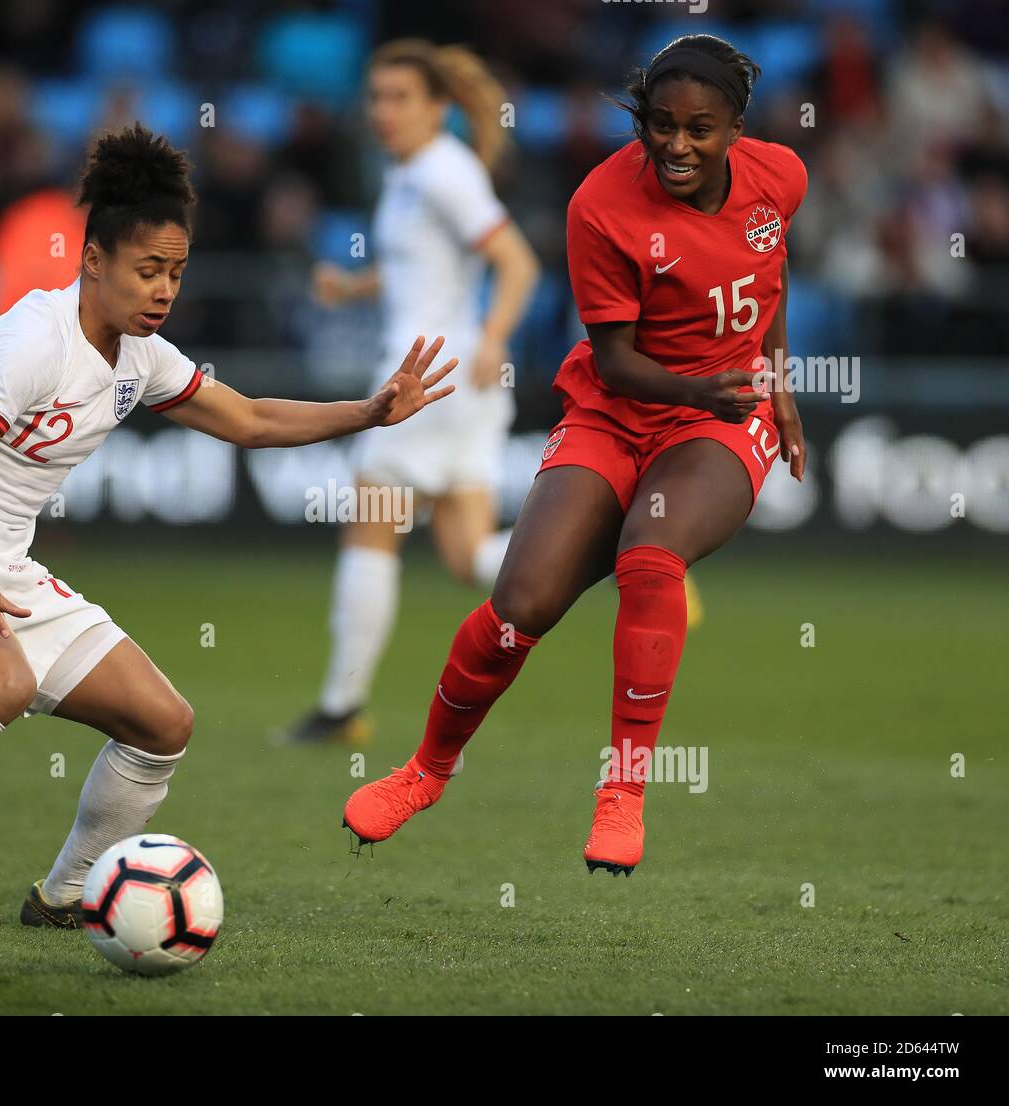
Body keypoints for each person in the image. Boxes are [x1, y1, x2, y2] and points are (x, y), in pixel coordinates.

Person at [0, 125, 457, 939]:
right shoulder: (30, 341)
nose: (164, 289)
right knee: (3, 684)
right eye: (148, 270)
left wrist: (369, 412)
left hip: (4, 566)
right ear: (93, 260)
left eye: (176, 271)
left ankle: (64, 896)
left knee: (163, 723)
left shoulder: (141, 355)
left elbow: (246, 419)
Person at [343, 34, 808, 877]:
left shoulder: (782, 176)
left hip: (717, 422)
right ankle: (425, 771)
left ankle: (624, 791)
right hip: (618, 407)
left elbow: (769, 271)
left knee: (651, 559)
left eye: (699, 129)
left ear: (737, 128)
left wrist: (776, 377)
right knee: (519, 604)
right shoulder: (602, 204)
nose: (676, 144)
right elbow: (619, 357)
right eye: (659, 126)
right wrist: (712, 388)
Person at [276, 40, 540, 746]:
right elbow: (421, 268)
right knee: (466, 558)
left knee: (370, 523)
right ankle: (615, 558)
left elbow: (518, 262)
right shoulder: (413, 172)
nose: (383, 112)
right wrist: (354, 286)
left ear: (439, 109)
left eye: (400, 98)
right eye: (377, 97)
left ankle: (340, 707)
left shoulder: (442, 174)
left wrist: (495, 335)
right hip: (455, 382)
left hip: (427, 376)